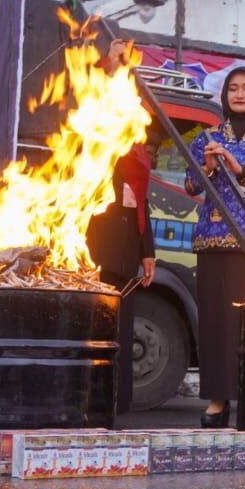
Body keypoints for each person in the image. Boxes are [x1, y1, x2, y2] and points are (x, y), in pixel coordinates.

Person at [185, 67, 245, 428]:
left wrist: (240, 168)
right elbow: (192, 185)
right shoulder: (207, 136)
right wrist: (210, 166)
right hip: (213, 238)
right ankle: (218, 399)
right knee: (216, 323)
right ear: (225, 95)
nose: (239, 95)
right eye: (233, 89)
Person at [86, 38, 157, 414]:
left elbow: (141, 200)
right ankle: (93, 398)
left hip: (128, 242)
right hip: (96, 238)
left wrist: (148, 253)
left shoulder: (137, 134)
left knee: (122, 325)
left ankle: (118, 399)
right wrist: (108, 62)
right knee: (96, 322)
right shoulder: (95, 124)